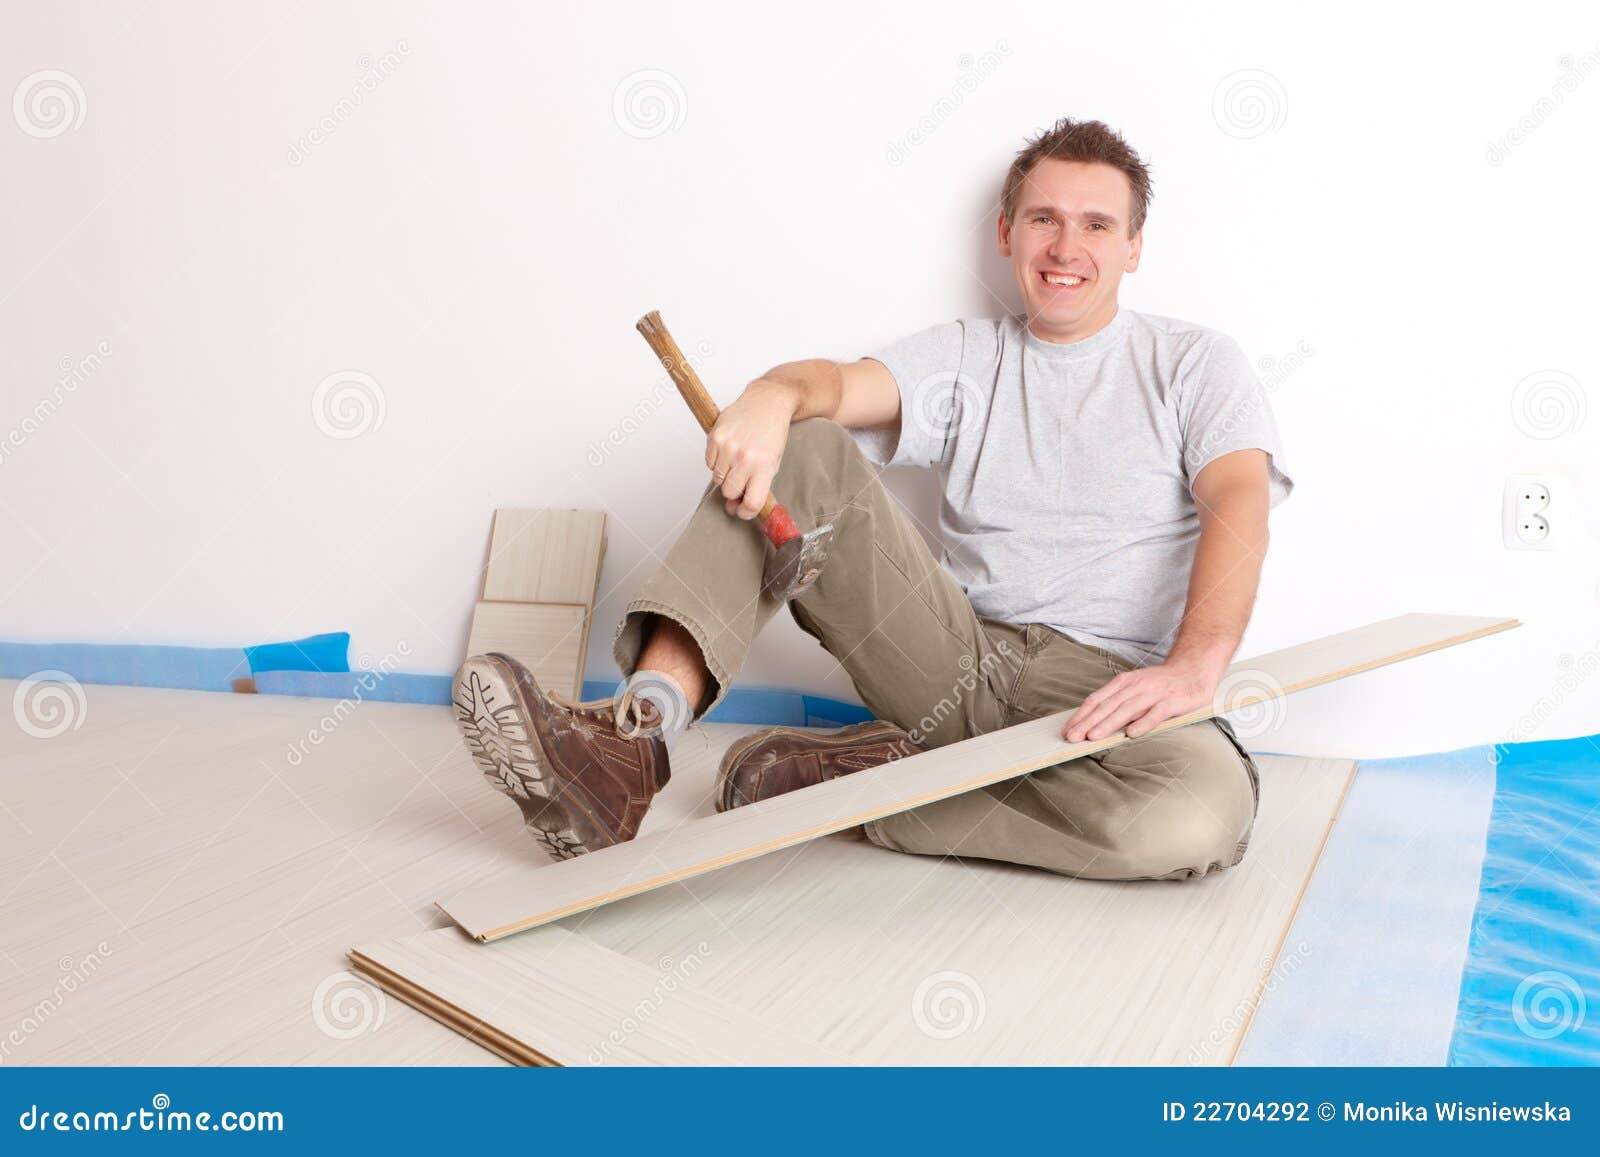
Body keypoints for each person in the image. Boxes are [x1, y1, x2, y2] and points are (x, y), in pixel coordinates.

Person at [453, 116, 1295, 879]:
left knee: (1196, 822)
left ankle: (870, 786)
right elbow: (831, 385)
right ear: (1007, 233)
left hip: (1114, 692)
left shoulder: (1196, 365)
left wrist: (1195, 666)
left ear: (1134, 246)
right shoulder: (971, 357)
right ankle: (629, 743)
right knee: (804, 448)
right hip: (959, 661)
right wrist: (773, 395)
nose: (1065, 245)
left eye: (1096, 224)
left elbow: (1238, 503)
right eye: (1044, 218)